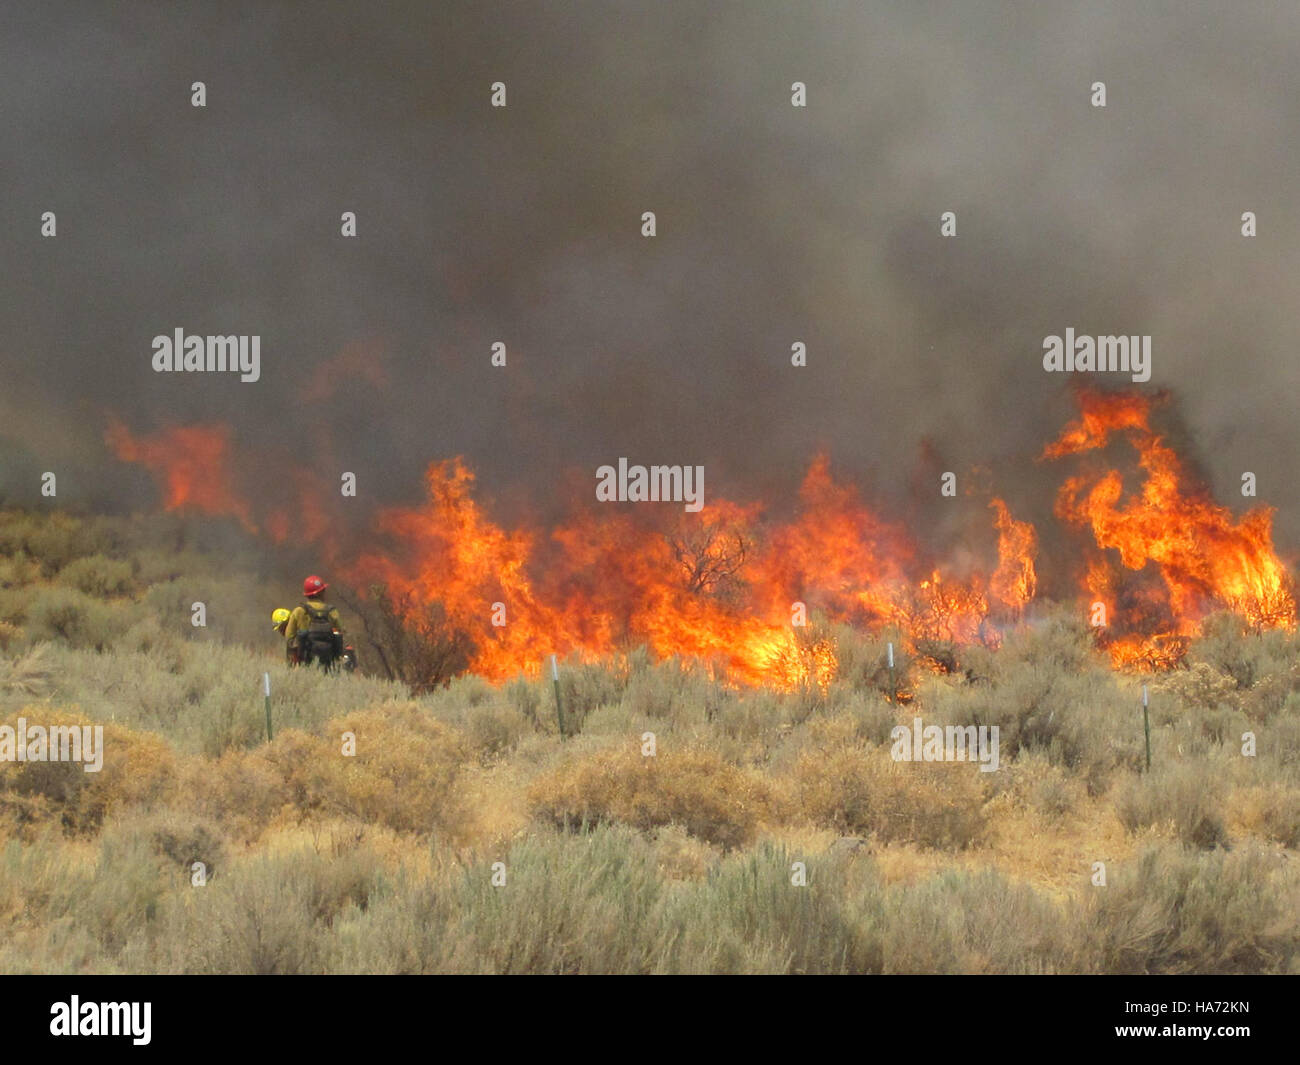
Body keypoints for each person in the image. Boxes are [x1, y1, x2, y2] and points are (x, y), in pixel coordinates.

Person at [284, 575, 345, 670]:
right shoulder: (332, 612)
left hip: (304, 662)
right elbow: (340, 632)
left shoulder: (299, 611)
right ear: (321, 593)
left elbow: (289, 636)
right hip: (327, 662)